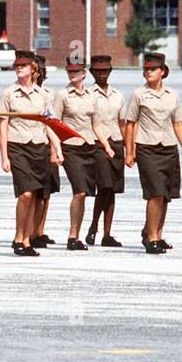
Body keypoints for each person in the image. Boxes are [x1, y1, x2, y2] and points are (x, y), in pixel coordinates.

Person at [124, 52, 182, 253]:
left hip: (169, 147)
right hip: (147, 147)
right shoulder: (139, 94)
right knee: (155, 192)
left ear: (163, 72)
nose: (148, 72)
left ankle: (156, 233)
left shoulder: (173, 95)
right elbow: (131, 124)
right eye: (146, 69)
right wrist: (130, 152)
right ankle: (152, 237)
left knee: (165, 195)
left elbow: (178, 123)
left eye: (153, 69)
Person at [53, 56, 113, 249]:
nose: (72, 74)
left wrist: (107, 146)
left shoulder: (91, 96)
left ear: (84, 74)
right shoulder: (62, 95)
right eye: (70, 71)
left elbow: (96, 124)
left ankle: (77, 236)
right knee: (79, 191)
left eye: (76, 71)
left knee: (87, 193)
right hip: (71, 148)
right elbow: (53, 124)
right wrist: (56, 150)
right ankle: (72, 236)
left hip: (90, 146)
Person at [0, 51, 52, 256]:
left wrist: (56, 149)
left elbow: (49, 124)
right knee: (25, 193)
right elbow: (3, 125)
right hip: (18, 147)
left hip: (38, 147)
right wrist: (4, 156)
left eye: (24, 65)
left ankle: (26, 239)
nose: (19, 68)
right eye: (17, 65)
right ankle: (19, 236)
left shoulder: (43, 95)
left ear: (33, 69)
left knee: (35, 194)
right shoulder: (9, 93)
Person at [86, 54, 125, 247]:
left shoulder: (118, 95)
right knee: (104, 186)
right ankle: (93, 226)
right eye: (98, 71)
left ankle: (107, 233)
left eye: (106, 70)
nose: (102, 74)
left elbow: (122, 122)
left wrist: (129, 146)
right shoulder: (87, 94)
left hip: (116, 142)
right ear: (92, 72)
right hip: (98, 145)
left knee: (113, 190)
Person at [29, 56, 60, 248]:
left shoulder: (49, 94)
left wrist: (55, 150)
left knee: (46, 192)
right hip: (33, 144)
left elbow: (53, 123)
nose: (39, 74)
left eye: (42, 71)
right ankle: (30, 232)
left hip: (48, 146)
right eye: (37, 70)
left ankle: (39, 230)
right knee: (33, 192)